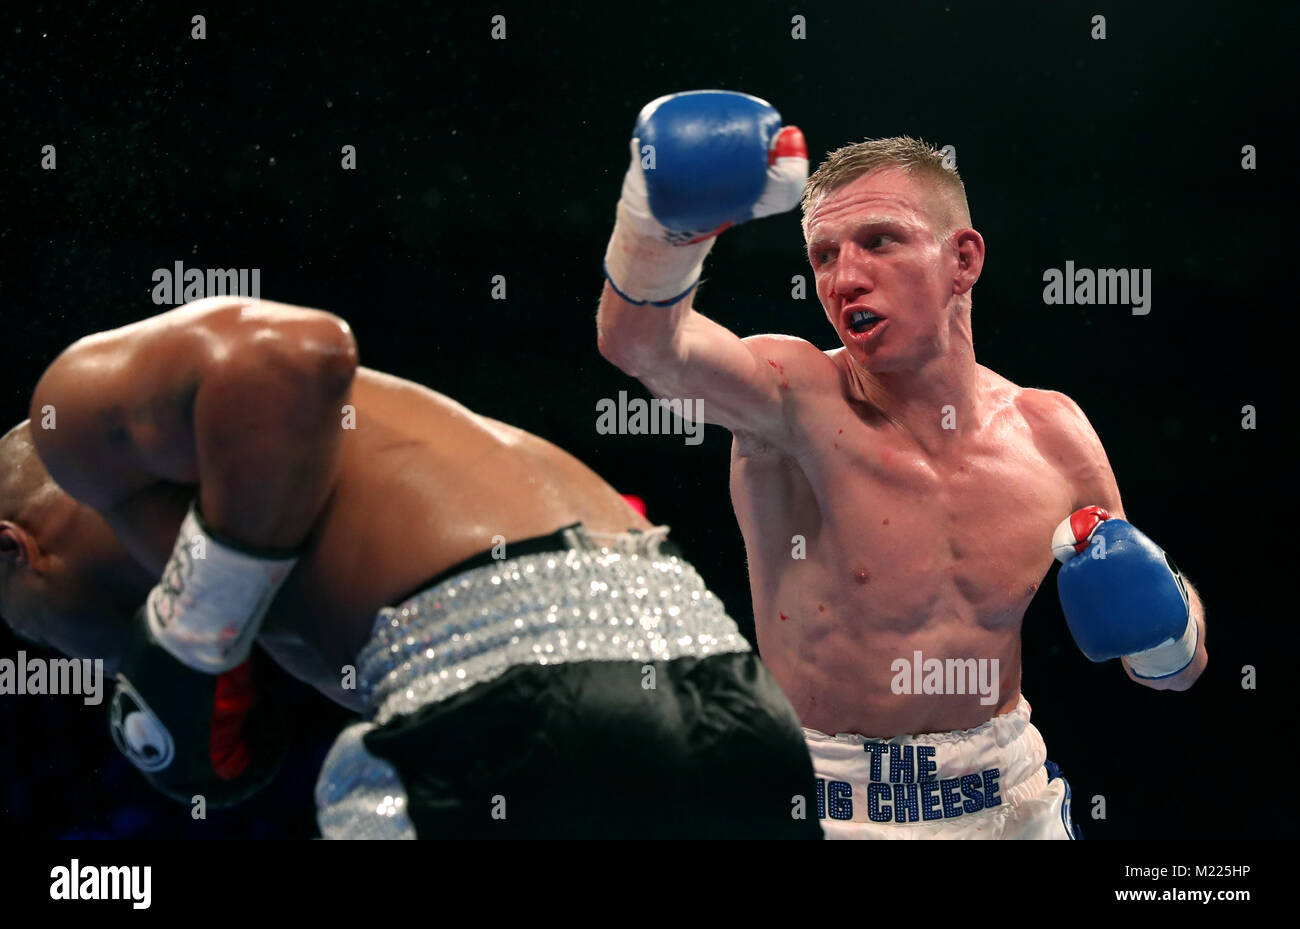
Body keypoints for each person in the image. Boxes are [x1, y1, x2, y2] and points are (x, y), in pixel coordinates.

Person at [597, 90, 1207, 839]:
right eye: (824, 254)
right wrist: (660, 225)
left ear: (963, 259)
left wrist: (1169, 625)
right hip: (832, 806)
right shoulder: (791, 400)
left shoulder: (1054, 433)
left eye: (879, 241)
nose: (843, 276)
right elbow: (643, 346)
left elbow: (1177, 669)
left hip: (1010, 798)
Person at [0, 296, 822, 839]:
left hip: (518, 694)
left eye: (35, 637)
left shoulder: (69, 422)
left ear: (15, 548)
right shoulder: (289, 568)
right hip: (737, 712)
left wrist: (191, 626)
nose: (99, 667)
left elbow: (297, 349)